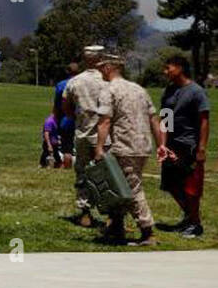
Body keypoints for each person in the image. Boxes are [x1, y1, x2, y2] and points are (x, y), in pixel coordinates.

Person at [94, 54, 164, 246]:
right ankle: (116, 228)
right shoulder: (139, 90)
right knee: (119, 187)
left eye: (101, 67)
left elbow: (105, 121)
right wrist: (161, 145)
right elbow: (154, 119)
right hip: (142, 145)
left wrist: (99, 148)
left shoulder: (109, 90)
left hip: (125, 146)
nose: (99, 70)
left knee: (132, 190)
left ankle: (147, 231)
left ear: (109, 68)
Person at [158, 54, 209, 238]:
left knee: (191, 186)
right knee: (171, 183)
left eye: (168, 68)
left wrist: (201, 149)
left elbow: (204, 120)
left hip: (189, 146)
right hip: (172, 145)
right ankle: (189, 217)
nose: (165, 72)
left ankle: (196, 225)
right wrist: (163, 145)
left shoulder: (196, 91)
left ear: (180, 68)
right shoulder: (169, 91)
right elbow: (165, 118)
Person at [62, 45, 110, 227]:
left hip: (83, 133)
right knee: (107, 173)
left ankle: (85, 213)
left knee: (82, 173)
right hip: (105, 136)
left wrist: (78, 118)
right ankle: (112, 214)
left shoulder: (75, 82)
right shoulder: (108, 81)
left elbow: (65, 106)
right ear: (101, 59)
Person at [55, 61, 77, 168]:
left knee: (66, 146)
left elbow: (57, 104)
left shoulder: (61, 85)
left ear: (67, 71)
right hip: (81, 120)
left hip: (65, 119)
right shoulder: (81, 84)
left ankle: (67, 166)